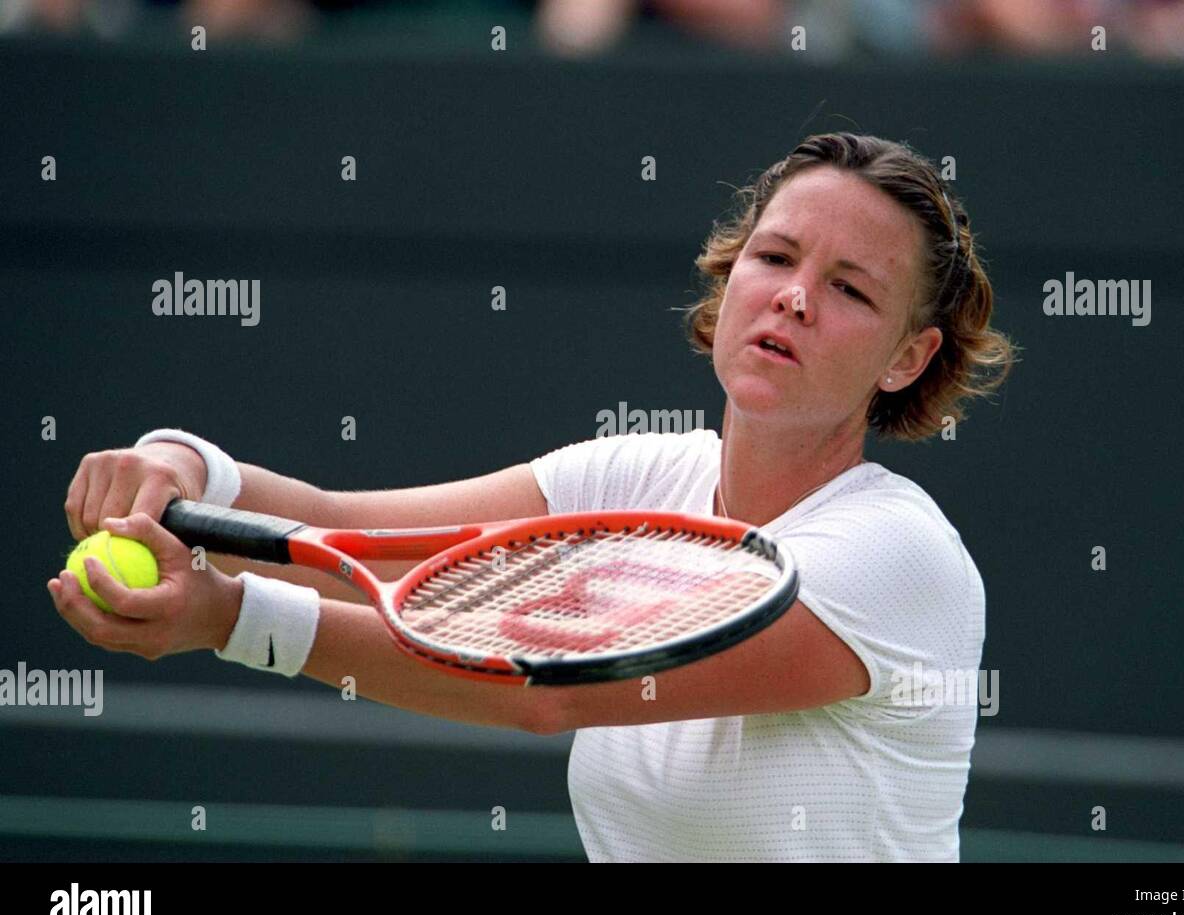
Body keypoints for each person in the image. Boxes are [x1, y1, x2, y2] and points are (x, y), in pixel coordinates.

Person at [50, 132, 1017, 862]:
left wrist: (229, 614)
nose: (794, 296)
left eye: (849, 288)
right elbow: (346, 529)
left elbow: (547, 693)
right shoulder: (635, 480)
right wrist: (180, 465)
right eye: (774, 258)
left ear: (908, 357)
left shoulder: (902, 557)